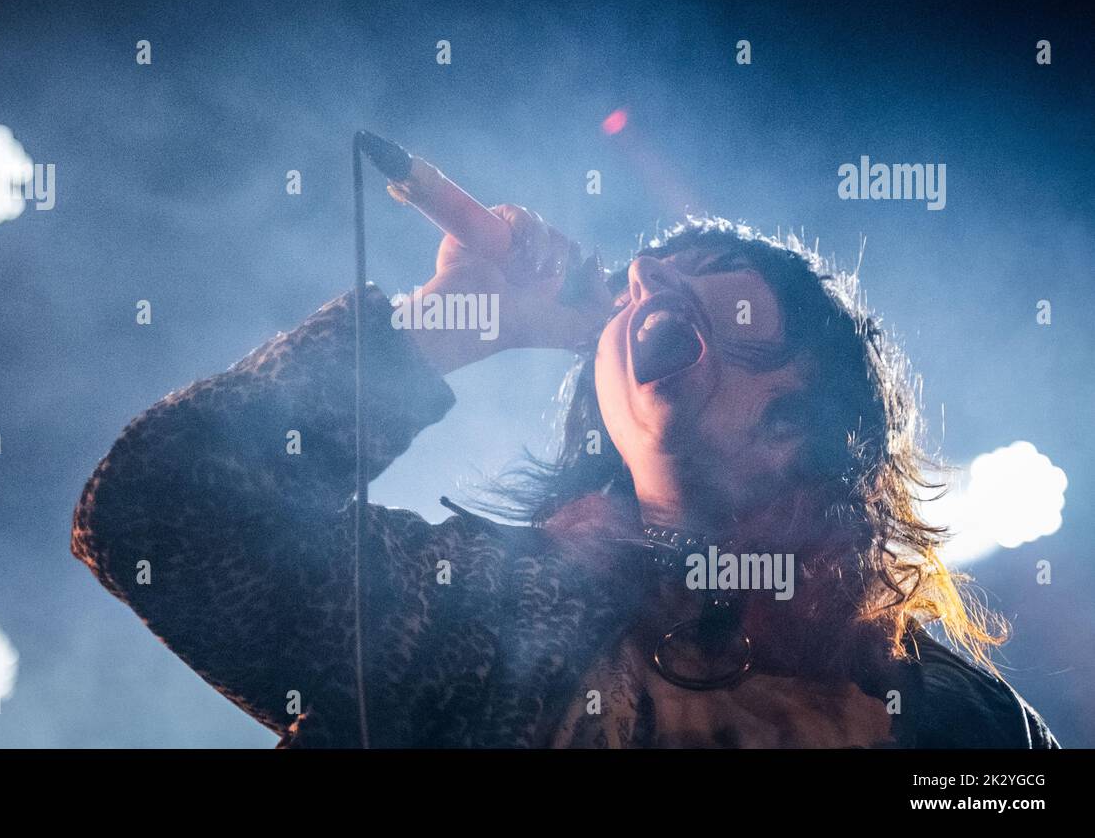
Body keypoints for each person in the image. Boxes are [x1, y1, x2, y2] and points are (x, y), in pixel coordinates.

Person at [71, 205, 1058, 748]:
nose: (653, 291)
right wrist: (455, 316)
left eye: (723, 302)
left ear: (795, 430)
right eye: (647, 286)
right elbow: (158, 511)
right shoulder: (489, 617)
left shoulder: (949, 719)